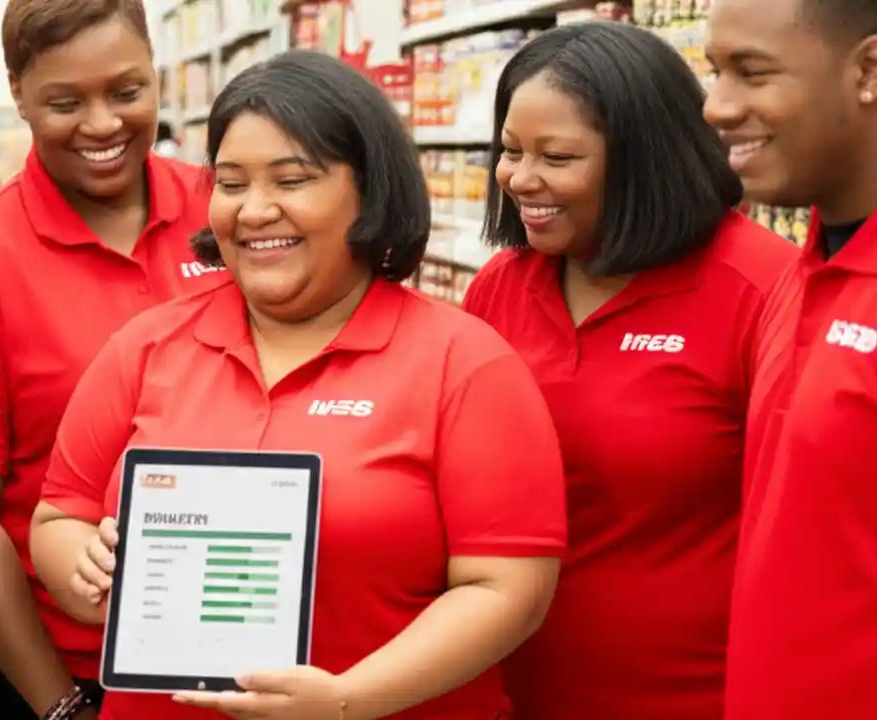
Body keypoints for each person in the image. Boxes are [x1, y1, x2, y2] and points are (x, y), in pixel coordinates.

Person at [29, 49, 568, 720]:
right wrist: (86, 565)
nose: (255, 211)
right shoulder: (145, 346)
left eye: (292, 180)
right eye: (230, 183)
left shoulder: (464, 364)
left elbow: (508, 589)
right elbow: (58, 516)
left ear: (369, 190)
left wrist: (348, 699)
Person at [0, 0, 227, 717]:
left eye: (127, 91)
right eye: (65, 102)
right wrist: (59, 704)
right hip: (47, 669)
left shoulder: (224, 212)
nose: (103, 124)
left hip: (224, 654)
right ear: (18, 95)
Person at [460, 22, 796, 720]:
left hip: (693, 695)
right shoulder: (499, 287)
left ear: (644, 159)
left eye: (557, 156)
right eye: (510, 152)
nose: (521, 179)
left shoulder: (761, 289)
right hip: (504, 688)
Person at [703, 1, 877, 717]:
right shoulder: (799, 269)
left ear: (870, 70)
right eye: (714, 72)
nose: (717, 107)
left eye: (752, 73)